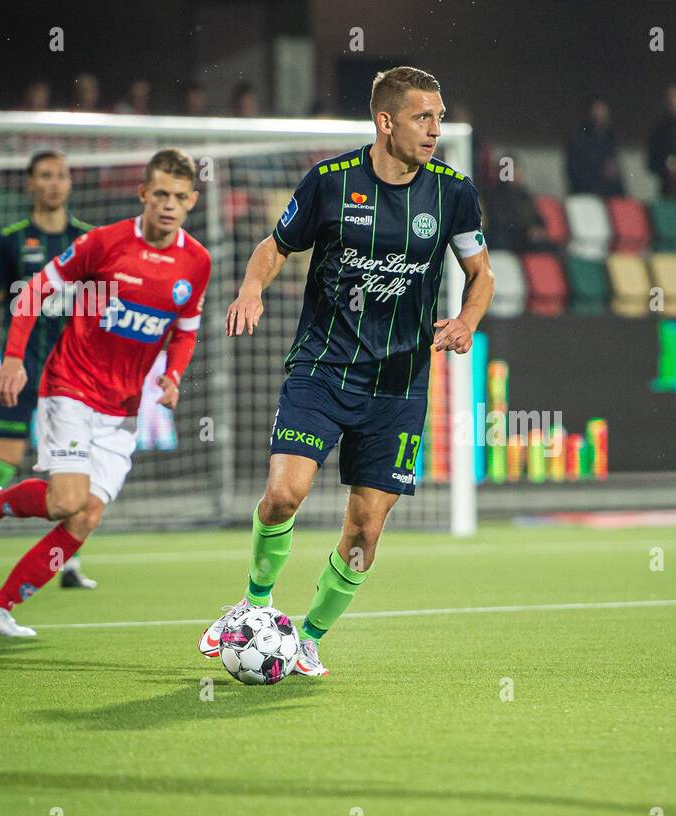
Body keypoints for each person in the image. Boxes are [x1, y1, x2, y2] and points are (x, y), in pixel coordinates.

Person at [199, 66, 494, 676]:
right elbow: (275, 245)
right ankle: (251, 608)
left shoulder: (454, 192)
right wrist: (252, 287)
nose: (436, 129)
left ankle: (306, 639)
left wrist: (467, 318)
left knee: (364, 533)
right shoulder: (330, 183)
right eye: (423, 117)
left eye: (439, 117)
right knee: (283, 495)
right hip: (324, 370)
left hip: (401, 386)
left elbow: (481, 272)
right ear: (385, 122)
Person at [0, 149, 211, 636]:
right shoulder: (103, 243)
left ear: (192, 200)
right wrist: (10, 358)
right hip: (70, 385)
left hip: (123, 409)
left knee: (84, 515)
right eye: (160, 194)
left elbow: (186, 331)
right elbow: (31, 292)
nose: (169, 205)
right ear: (143, 194)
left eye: (179, 196)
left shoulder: (196, 262)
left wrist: (173, 375)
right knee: (67, 501)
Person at [0, 150, 97, 591]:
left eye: (61, 175)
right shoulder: (11, 239)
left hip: (74, 376)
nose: (54, 183)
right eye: (45, 176)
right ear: (30, 184)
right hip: (23, 370)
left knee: (75, 467)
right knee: (7, 458)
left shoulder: (89, 240)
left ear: (71, 184)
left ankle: (66, 560)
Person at [567, 98, 624, 197]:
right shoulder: (579, 140)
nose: (601, 115)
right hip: (585, 195)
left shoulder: (610, 139)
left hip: (609, 195)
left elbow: (615, 172)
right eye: (598, 111)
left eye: (603, 111)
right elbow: (575, 172)